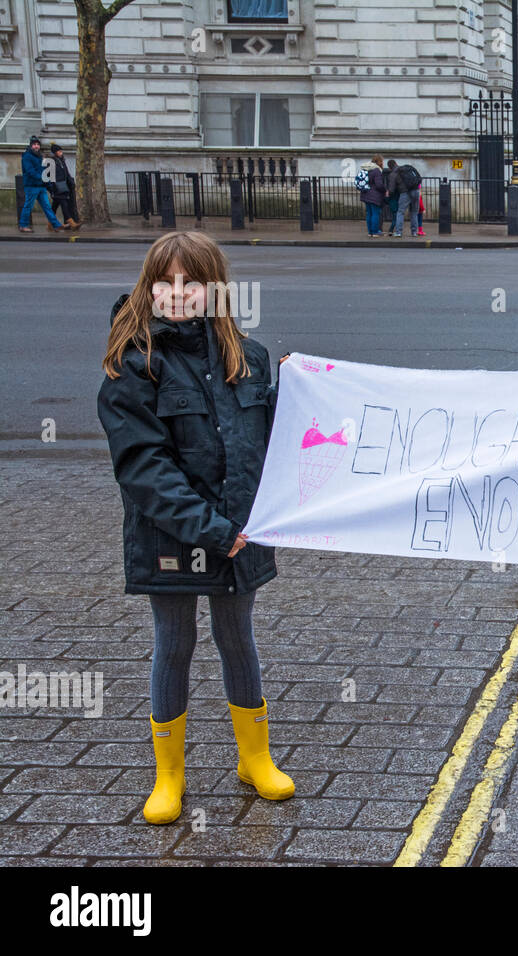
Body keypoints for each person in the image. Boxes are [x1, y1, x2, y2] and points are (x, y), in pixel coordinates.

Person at [97, 231, 295, 825]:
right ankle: (169, 776)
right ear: (149, 285)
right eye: (166, 281)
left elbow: (267, 442)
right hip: (174, 535)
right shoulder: (134, 363)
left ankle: (254, 758)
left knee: (238, 639)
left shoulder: (248, 356)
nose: (177, 293)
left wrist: (296, 394)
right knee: (174, 643)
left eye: (192, 282)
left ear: (214, 290)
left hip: (239, 532)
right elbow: (143, 468)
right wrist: (210, 528)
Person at [18, 136, 62, 234]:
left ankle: (56, 225)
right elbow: (30, 171)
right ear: (31, 145)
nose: (36, 146)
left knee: (47, 206)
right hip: (31, 186)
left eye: (38, 144)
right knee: (28, 206)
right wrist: (42, 178)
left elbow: (43, 171)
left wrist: (47, 182)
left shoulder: (39, 156)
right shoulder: (27, 156)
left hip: (41, 186)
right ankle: (23, 225)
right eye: (34, 144)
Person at [47, 143, 80, 230]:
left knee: (54, 207)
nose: (61, 153)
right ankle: (72, 223)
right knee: (64, 205)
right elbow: (48, 176)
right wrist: (51, 187)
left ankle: (50, 224)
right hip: (56, 187)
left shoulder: (61, 161)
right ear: (55, 152)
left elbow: (66, 173)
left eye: (61, 151)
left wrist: (71, 183)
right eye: (59, 151)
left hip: (63, 187)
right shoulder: (51, 162)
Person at [359, 154, 386, 238]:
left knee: (369, 214)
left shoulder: (366, 169)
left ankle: (370, 232)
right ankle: (375, 231)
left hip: (365, 194)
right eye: (382, 161)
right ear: (379, 161)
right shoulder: (376, 170)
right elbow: (379, 185)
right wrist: (384, 189)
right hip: (374, 196)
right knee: (375, 213)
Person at [384, 159, 404, 237]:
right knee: (397, 214)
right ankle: (393, 230)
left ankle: (392, 230)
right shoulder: (399, 172)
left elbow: (391, 189)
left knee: (395, 214)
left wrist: (388, 193)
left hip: (392, 197)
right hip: (397, 196)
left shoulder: (391, 175)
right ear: (395, 163)